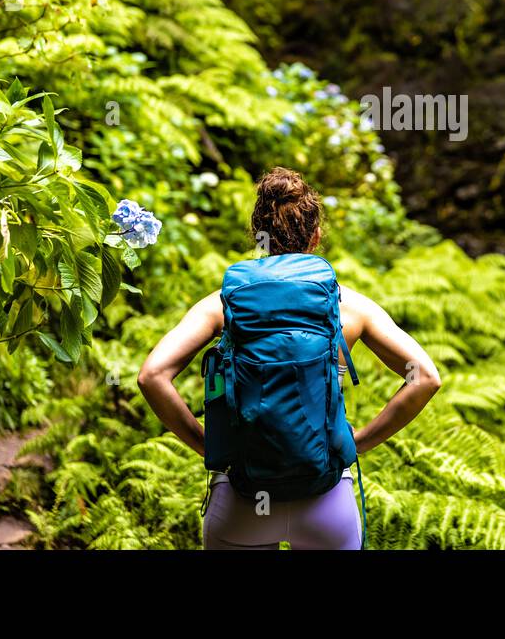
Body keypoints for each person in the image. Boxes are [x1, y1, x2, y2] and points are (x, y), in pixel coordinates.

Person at [138, 166, 441, 549]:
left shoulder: (224, 304)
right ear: (315, 237)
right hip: (326, 501)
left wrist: (208, 446)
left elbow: (152, 376)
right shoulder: (349, 307)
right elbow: (426, 377)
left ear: (257, 236)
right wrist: (358, 442)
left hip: (242, 502)